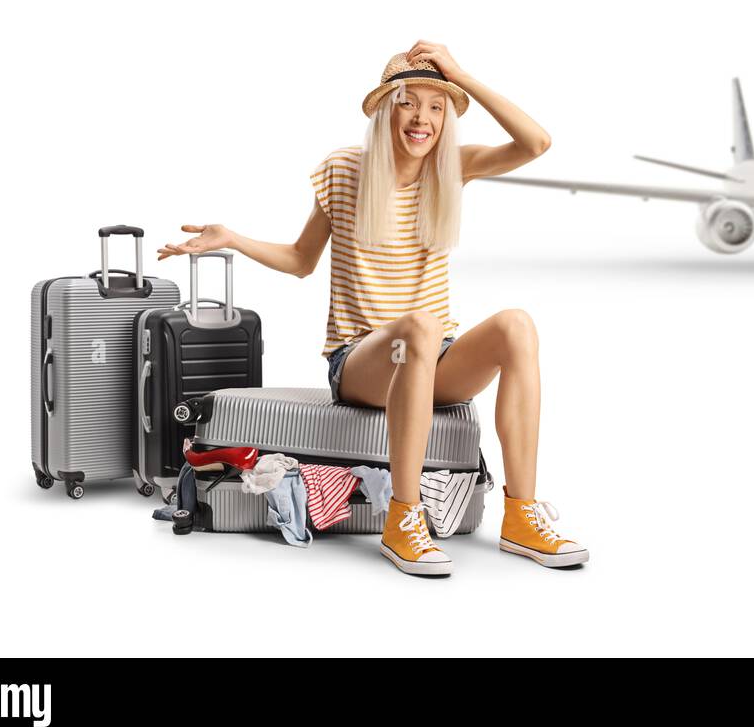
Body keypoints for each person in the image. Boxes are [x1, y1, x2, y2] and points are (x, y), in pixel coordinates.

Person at [158, 41, 588, 576]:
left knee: (516, 326)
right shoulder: (343, 170)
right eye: (410, 102)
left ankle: (522, 515)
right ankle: (404, 519)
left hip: (434, 356)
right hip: (361, 361)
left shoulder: (450, 167)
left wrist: (459, 75)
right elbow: (299, 260)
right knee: (419, 327)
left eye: (437, 107)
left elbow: (537, 142)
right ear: (387, 108)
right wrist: (232, 237)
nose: (423, 118)